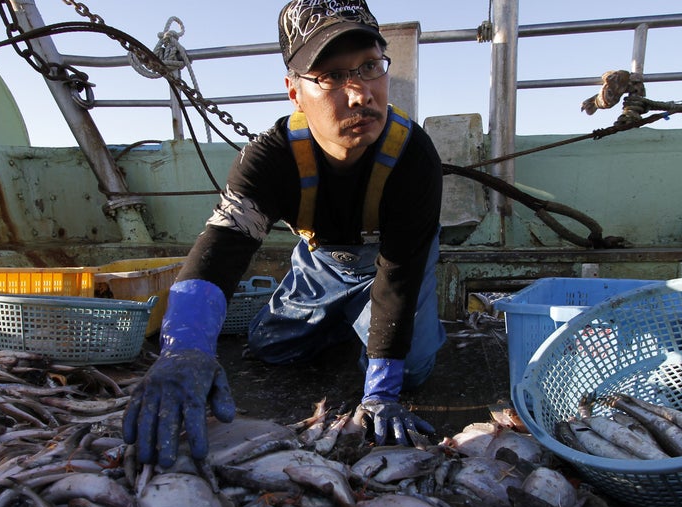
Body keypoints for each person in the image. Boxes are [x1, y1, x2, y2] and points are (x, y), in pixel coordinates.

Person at [123, 0, 446, 468]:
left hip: (397, 263)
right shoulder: (270, 158)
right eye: (332, 77)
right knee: (270, 348)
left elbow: (399, 276)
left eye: (371, 67)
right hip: (324, 262)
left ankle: (372, 329)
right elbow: (223, 246)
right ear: (294, 91)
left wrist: (380, 393)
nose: (360, 94)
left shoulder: (414, 156)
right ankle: (344, 320)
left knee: (410, 371)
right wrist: (184, 349)